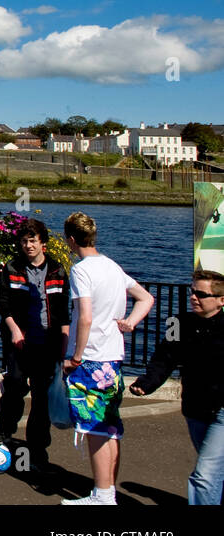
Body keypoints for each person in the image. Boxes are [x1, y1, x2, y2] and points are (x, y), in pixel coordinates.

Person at [60, 212, 154, 505]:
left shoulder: (81, 270)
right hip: (112, 358)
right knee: (110, 427)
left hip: (90, 359)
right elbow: (146, 298)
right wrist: (130, 322)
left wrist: (75, 356)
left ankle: (102, 496)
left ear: (71, 240)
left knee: (94, 429)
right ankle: (107, 491)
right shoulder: (113, 267)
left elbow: (85, 317)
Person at [130, 270, 224, 504]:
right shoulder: (179, 323)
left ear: (221, 300)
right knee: (214, 472)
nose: (194, 297)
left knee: (204, 476)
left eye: (201, 294)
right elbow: (165, 357)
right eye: (193, 292)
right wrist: (147, 383)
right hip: (195, 407)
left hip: (222, 411)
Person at [0, 218, 70, 470]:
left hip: (48, 343)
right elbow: (2, 301)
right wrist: (14, 330)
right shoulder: (12, 268)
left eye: (32, 241)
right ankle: (3, 431)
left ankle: (37, 447)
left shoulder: (57, 271)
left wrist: (65, 347)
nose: (28, 245)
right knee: (13, 385)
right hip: (20, 341)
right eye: (24, 241)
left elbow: (64, 311)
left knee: (41, 397)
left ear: (42, 243)